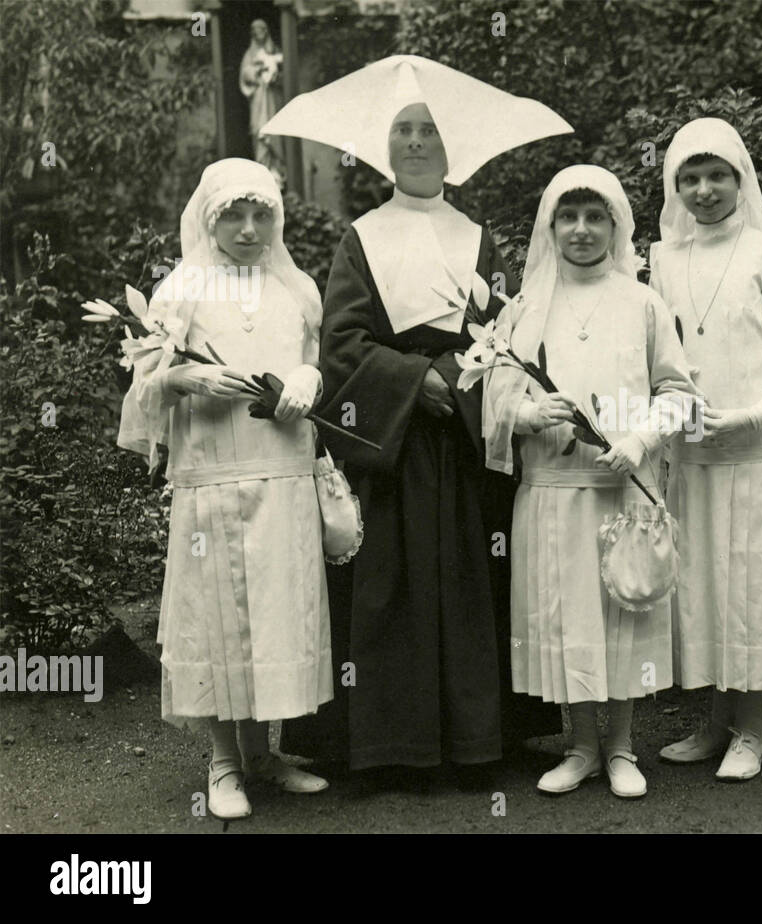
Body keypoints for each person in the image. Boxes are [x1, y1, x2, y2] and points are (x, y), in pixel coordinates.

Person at [289, 99, 556, 778]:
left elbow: (502, 339)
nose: (414, 142)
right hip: (393, 444)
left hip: (461, 443)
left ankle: (473, 743)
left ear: (448, 146)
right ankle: (389, 745)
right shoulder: (362, 237)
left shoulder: (477, 236)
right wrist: (415, 382)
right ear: (386, 147)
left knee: (470, 581)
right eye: (403, 131)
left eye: (428, 130)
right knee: (388, 588)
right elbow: (341, 344)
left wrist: (456, 381)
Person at [117, 158, 331, 820]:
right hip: (212, 477)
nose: (247, 228)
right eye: (233, 216)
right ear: (210, 221)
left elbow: (313, 358)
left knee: (272, 615)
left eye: (260, 214)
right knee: (217, 618)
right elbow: (142, 390)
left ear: (276, 219)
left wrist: (308, 380)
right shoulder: (183, 292)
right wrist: (183, 381)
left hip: (281, 471)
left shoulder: (296, 290)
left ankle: (264, 754)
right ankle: (223, 761)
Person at [483, 165, 697, 798]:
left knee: (622, 609)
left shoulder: (643, 302)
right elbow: (496, 395)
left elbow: (679, 393)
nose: (581, 230)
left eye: (595, 217)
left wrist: (638, 438)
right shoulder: (524, 310)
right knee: (564, 613)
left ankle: (624, 746)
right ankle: (578, 745)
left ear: (616, 226)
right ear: (551, 228)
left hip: (621, 489)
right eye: (568, 218)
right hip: (551, 489)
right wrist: (524, 413)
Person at [649, 118, 762, 781]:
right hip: (690, 453)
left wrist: (751, 416)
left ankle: (751, 728)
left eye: (717, 175)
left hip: (755, 450)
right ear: (674, 186)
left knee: (747, 587)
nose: (704, 188)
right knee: (700, 586)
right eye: (690, 177)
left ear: (740, 180)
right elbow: (653, 355)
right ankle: (713, 721)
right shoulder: (660, 261)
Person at [238, 19, 285, 181]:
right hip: (258, 101)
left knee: (275, 133)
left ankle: (277, 171)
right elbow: (244, 75)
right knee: (260, 131)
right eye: (255, 30)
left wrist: (274, 76)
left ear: (266, 31)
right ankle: (263, 168)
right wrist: (258, 71)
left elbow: (284, 75)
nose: (258, 33)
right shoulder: (249, 54)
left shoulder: (275, 52)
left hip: (273, 99)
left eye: (261, 30)